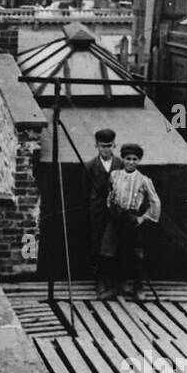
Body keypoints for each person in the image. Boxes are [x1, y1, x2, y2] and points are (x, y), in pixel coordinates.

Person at [99, 143, 161, 299]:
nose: (131, 162)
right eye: (128, 159)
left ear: (139, 160)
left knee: (135, 253)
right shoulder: (114, 175)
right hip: (116, 217)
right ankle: (114, 287)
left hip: (131, 218)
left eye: (135, 159)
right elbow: (110, 193)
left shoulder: (143, 180)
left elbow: (155, 201)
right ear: (123, 159)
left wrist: (143, 217)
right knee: (110, 251)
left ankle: (138, 287)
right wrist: (112, 207)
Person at [83, 127, 117, 296]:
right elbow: (84, 191)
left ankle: (112, 279)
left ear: (114, 145)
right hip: (97, 213)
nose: (106, 149)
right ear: (96, 146)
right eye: (103, 146)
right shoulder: (90, 166)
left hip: (115, 213)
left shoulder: (119, 165)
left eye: (109, 145)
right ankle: (99, 280)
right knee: (96, 244)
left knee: (112, 245)